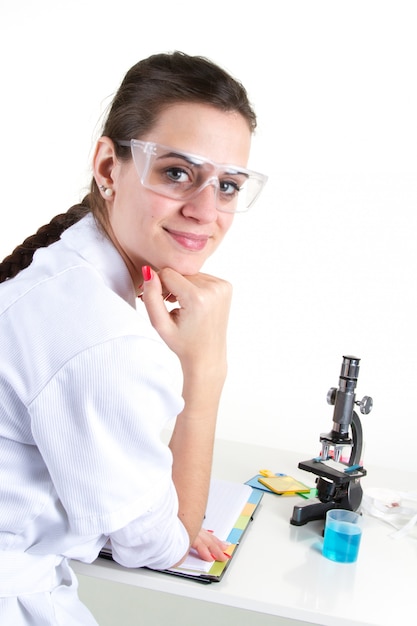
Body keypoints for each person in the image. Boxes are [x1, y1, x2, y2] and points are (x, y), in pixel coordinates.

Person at [0, 51, 267, 624]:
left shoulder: (67, 263)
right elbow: (158, 545)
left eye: (228, 185)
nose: (204, 209)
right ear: (107, 166)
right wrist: (206, 368)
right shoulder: (103, 337)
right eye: (176, 172)